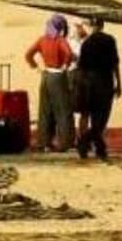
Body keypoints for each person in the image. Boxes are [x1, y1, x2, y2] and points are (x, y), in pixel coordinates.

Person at [25, 14, 73, 151]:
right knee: (63, 110)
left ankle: (44, 142)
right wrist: (65, 66)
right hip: (58, 76)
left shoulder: (42, 40)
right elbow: (68, 54)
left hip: (45, 76)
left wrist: (36, 68)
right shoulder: (59, 40)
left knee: (45, 111)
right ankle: (65, 143)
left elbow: (28, 54)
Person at [75, 17, 121, 161]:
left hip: (88, 83)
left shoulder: (86, 43)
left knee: (92, 116)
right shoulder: (109, 40)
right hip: (104, 81)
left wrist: (80, 86)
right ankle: (91, 146)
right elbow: (115, 64)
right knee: (101, 118)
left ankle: (92, 146)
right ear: (102, 25)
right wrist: (119, 83)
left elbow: (80, 67)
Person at [67, 19, 89, 140]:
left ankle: (82, 137)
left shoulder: (87, 41)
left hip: (82, 75)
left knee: (85, 110)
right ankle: (71, 137)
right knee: (70, 108)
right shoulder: (69, 42)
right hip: (74, 75)